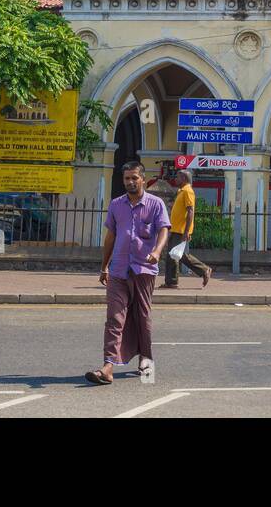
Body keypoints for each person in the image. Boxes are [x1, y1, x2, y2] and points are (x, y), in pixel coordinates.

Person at [85, 161, 170, 386]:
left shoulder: (156, 204)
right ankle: (108, 368)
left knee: (142, 317)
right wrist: (104, 266)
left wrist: (157, 251)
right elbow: (110, 237)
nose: (130, 182)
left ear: (143, 178)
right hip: (119, 270)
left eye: (134, 178)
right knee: (114, 318)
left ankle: (146, 360)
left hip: (144, 269)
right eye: (126, 179)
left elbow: (163, 230)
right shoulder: (116, 205)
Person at [162, 170, 212, 289]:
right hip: (176, 229)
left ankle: (203, 269)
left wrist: (186, 231)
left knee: (176, 255)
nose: (175, 179)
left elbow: (190, 211)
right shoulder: (181, 191)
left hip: (181, 230)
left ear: (184, 178)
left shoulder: (188, 191)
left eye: (178, 177)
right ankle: (171, 282)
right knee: (173, 255)